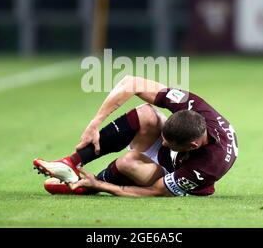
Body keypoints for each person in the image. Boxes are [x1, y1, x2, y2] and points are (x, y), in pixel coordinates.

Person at [33, 75, 238, 197]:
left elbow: (155, 192)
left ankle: (87, 186)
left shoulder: (209, 165)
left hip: (178, 173)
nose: (163, 143)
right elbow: (132, 83)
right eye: (163, 138)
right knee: (147, 113)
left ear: (192, 145)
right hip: (180, 156)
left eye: (169, 143)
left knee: (128, 162)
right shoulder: (195, 108)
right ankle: (71, 162)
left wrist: (100, 185)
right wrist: (95, 123)